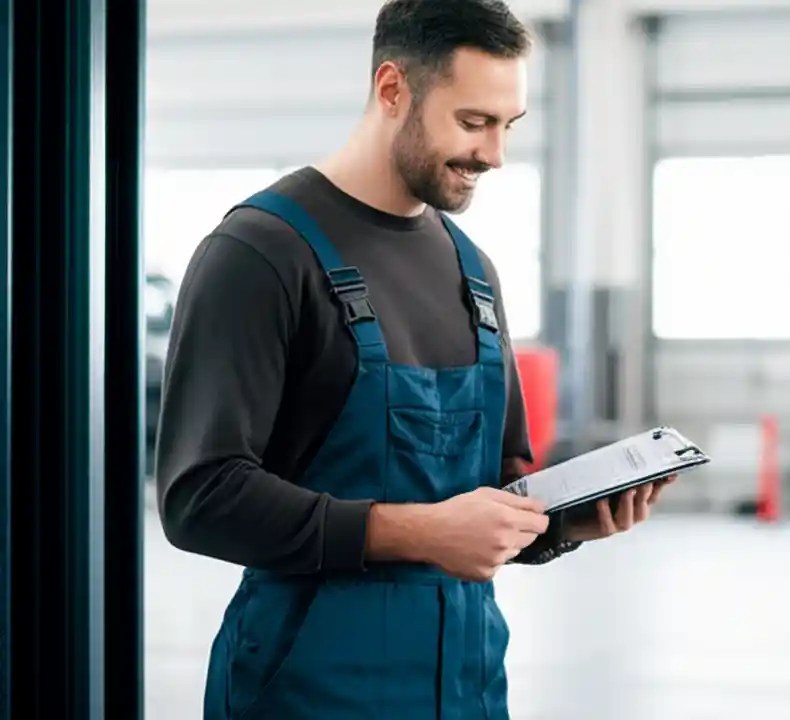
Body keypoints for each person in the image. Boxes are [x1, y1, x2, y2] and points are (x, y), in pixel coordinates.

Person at [154, 1, 673, 718]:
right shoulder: (260, 255)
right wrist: (419, 531)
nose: (494, 154)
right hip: (305, 693)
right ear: (392, 89)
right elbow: (200, 496)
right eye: (472, 122)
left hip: (466, 689)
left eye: (507, 126)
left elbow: (496, 484)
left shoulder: (475, 272)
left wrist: (563, 522)